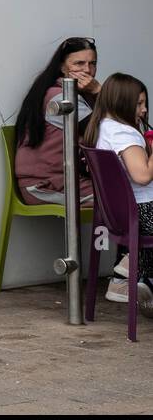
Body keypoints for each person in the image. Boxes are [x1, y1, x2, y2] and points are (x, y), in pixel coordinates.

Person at [82, 73, 153, 311]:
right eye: (139, 103)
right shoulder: (125, 133)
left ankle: (134, 278)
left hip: (118, 214)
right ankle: (137, 266)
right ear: (121, 102)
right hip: (146, 213)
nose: (143, 110)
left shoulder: (102, 127)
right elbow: (142, 176)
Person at [13, 37, 99, 207]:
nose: (87, 70)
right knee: (125, 198)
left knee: (136, 191)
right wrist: (99, 91)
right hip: (44, 184)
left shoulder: (79, 95)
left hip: (66, 180)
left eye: (92, 63)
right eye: (79, 63)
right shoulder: (61, 97)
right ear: (62, 67)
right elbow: (99, 132)